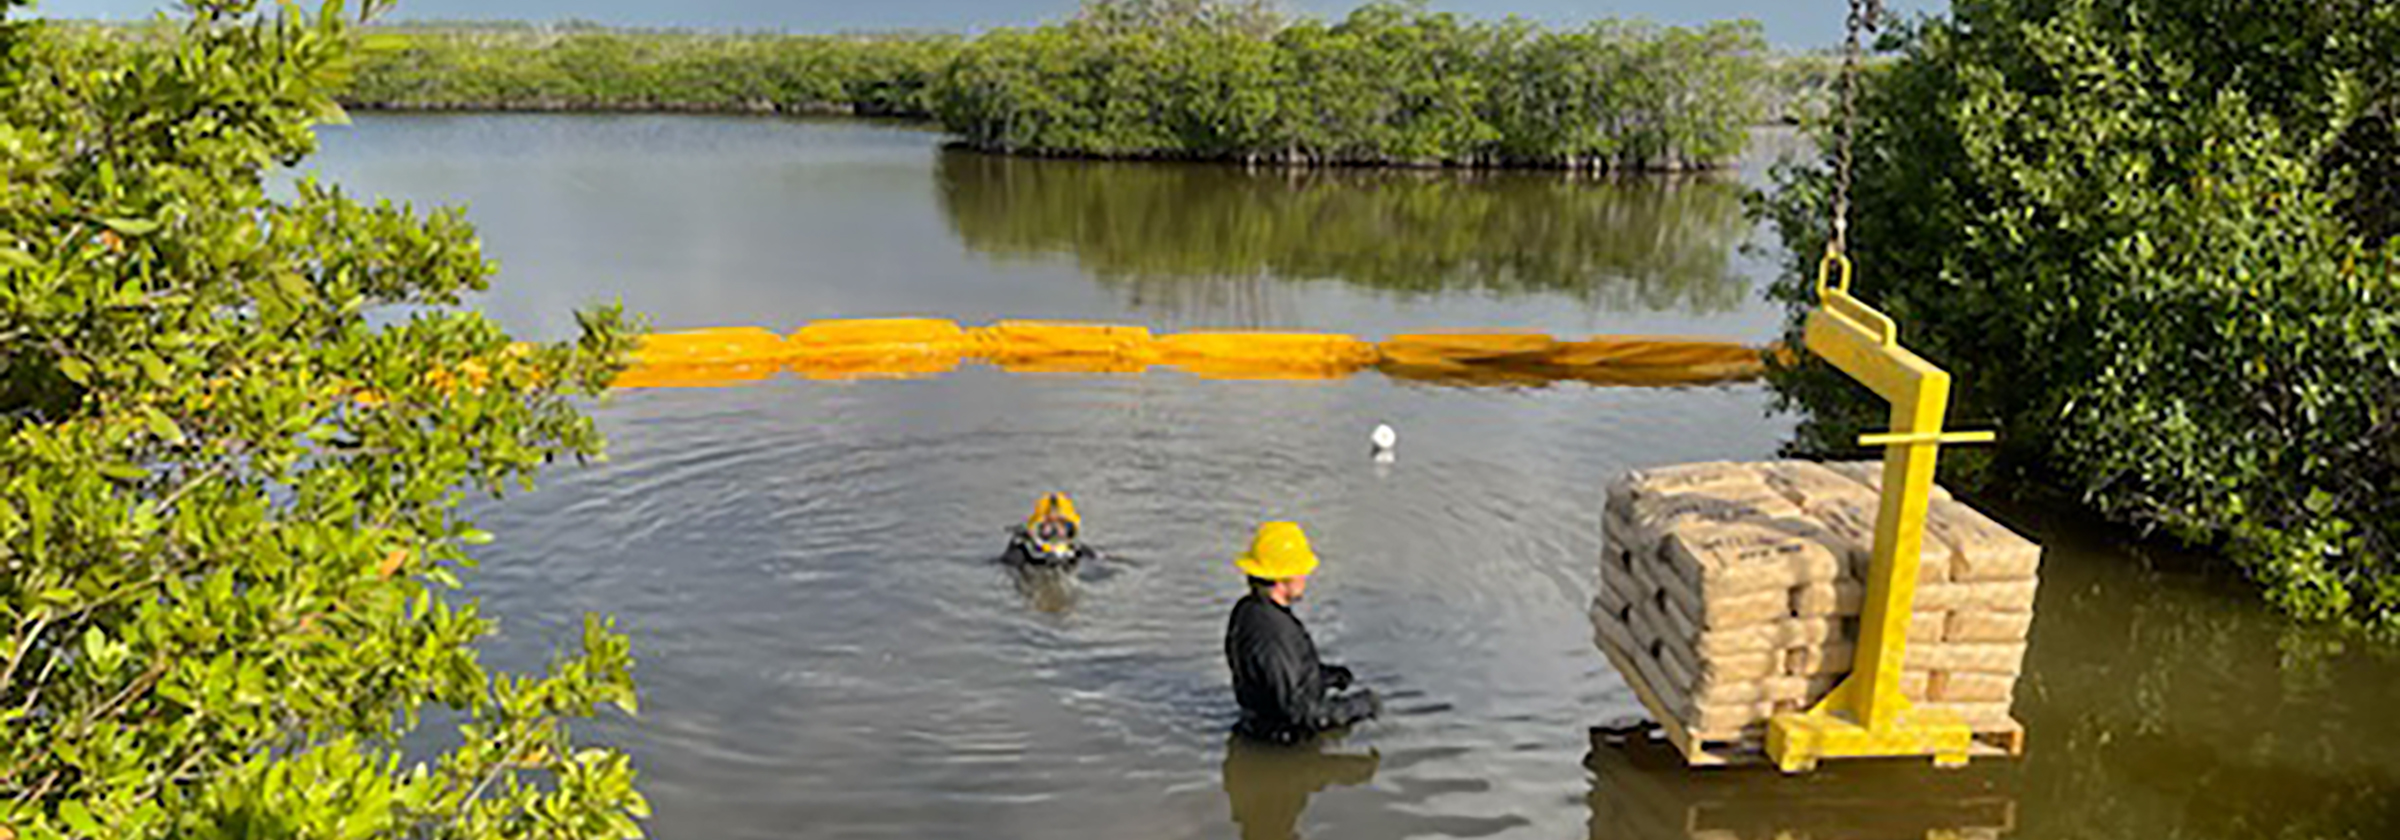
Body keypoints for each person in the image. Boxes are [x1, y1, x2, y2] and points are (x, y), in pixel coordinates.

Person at [1224, 521, 1379, 745]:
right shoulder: (1273, 633)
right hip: (1280, 749)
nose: (1305, 576)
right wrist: (1357, 706)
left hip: (1260, 726)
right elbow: (1299, 713)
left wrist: (1325, 677)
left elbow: (1275, 680)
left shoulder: (1249, 610)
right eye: (1300, 570)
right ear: (1283, 577)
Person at [1003, 493, 1094, 568]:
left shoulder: (1078, 550)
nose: (1055, 532)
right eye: (1048, 525)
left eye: (1062, 524)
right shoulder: (1023, 550)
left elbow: (1097, 567)